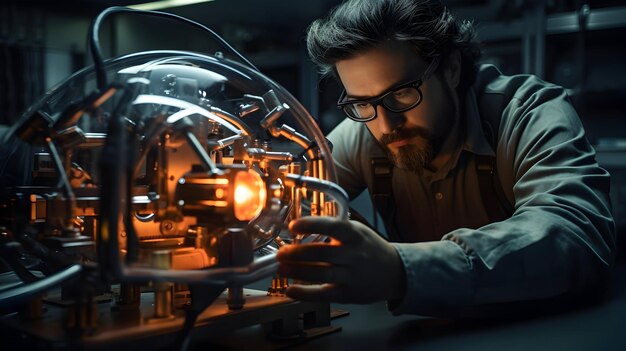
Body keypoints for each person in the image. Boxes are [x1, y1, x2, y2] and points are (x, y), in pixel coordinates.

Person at [276, 0, 616, 317]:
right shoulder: (366, 128)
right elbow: (293, 193)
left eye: (402, 92)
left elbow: (576, 234)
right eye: (362, 103)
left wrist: (398, 268)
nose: (386, 125)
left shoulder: (527, 111)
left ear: (451, 68)